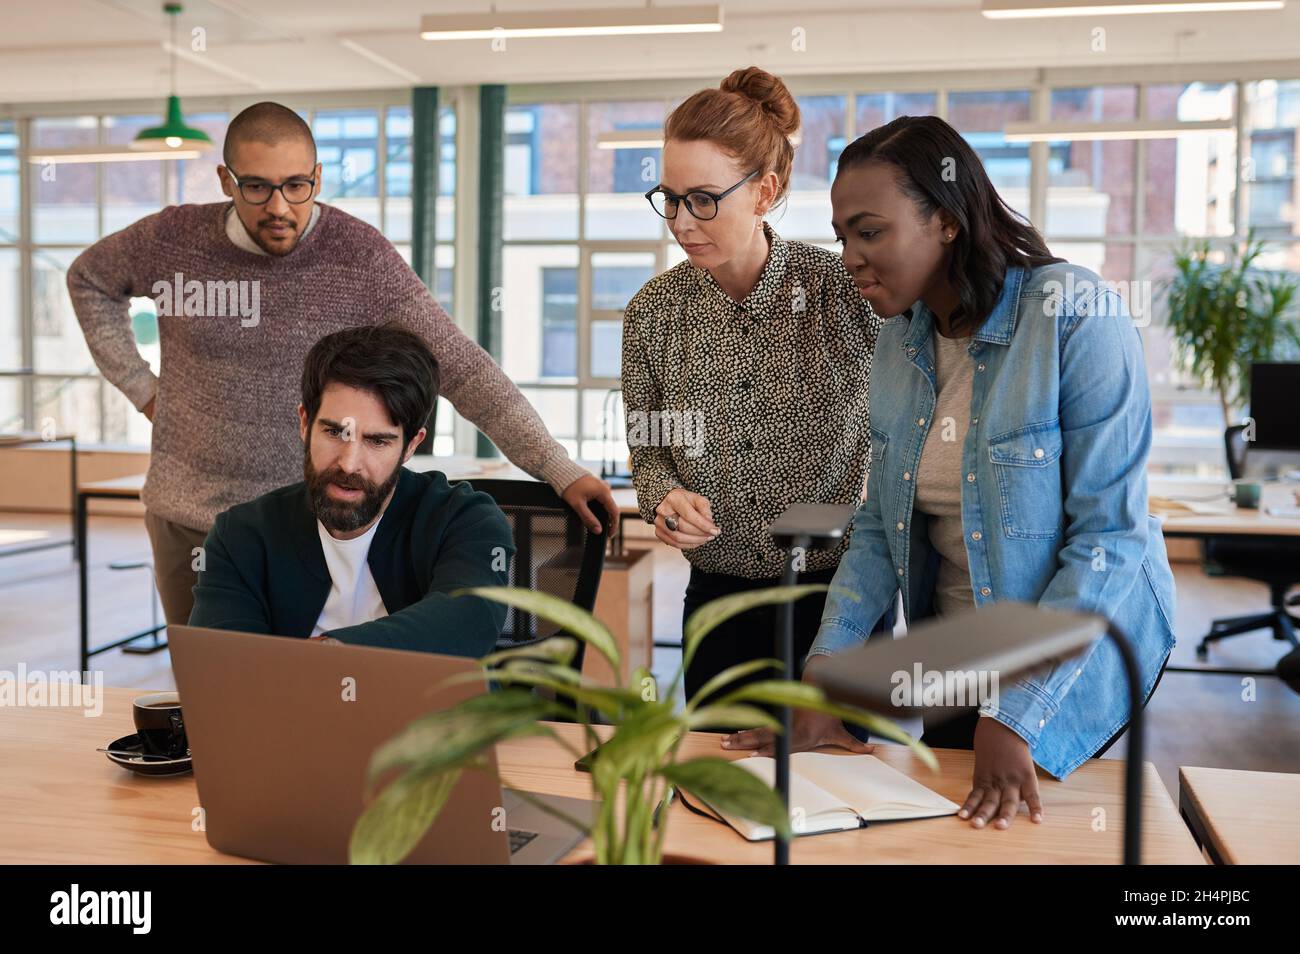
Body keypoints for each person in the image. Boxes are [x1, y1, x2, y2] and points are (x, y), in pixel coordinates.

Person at [722, 116, 1177, 831]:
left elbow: (1108, 542)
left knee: (1044, 839)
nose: (848, 257)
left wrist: (1016, 714)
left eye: (870, 231)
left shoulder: (1074, 316)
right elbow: (877, 529)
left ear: (947, 221)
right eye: (842, 236)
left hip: (1078, 660)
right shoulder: (898, 343)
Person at [68, 101, 614, 628]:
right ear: (225, 180)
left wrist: (556, 466)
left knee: (310, 684)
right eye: (256, 186)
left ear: (319, 178)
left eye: (296, 186)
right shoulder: (171, 240)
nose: (279, 207)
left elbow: (463, 369)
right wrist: (144, 390)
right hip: (188, 517)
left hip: (306, 524)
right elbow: (89, 279)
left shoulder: (360, 257)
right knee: (213, 693)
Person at [622, 67, 891, 707]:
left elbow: (902, 432)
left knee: (848, 795)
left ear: (765, 191)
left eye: (705, 199)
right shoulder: (652, 313)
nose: (682, 222)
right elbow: (648, 444)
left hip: (839, 599)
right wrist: (663, 499)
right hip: (718, 598)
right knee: (719, 793)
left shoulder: (844, 291)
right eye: (670, 197)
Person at [189, 324, 513, 655]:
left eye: (377, 441)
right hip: (296, 708)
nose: (349, 464)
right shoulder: (240, 534)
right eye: (334, 433)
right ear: (304, 423)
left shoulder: (466, 520)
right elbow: (222, 662)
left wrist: (329, 654)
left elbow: (468, 620)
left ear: (412, 444)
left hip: (434, 708)